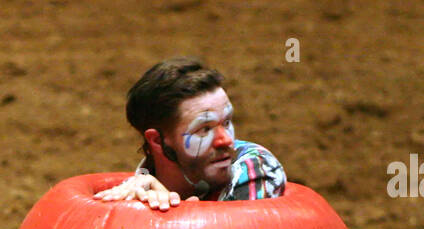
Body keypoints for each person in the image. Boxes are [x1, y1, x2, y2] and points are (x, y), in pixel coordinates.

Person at [95, 57, 287, 211]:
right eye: (204, 129)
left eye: (226, 122)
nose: (226, 140)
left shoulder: (254, 166)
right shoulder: (142, 186)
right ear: (157, 141)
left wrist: (166, 211)